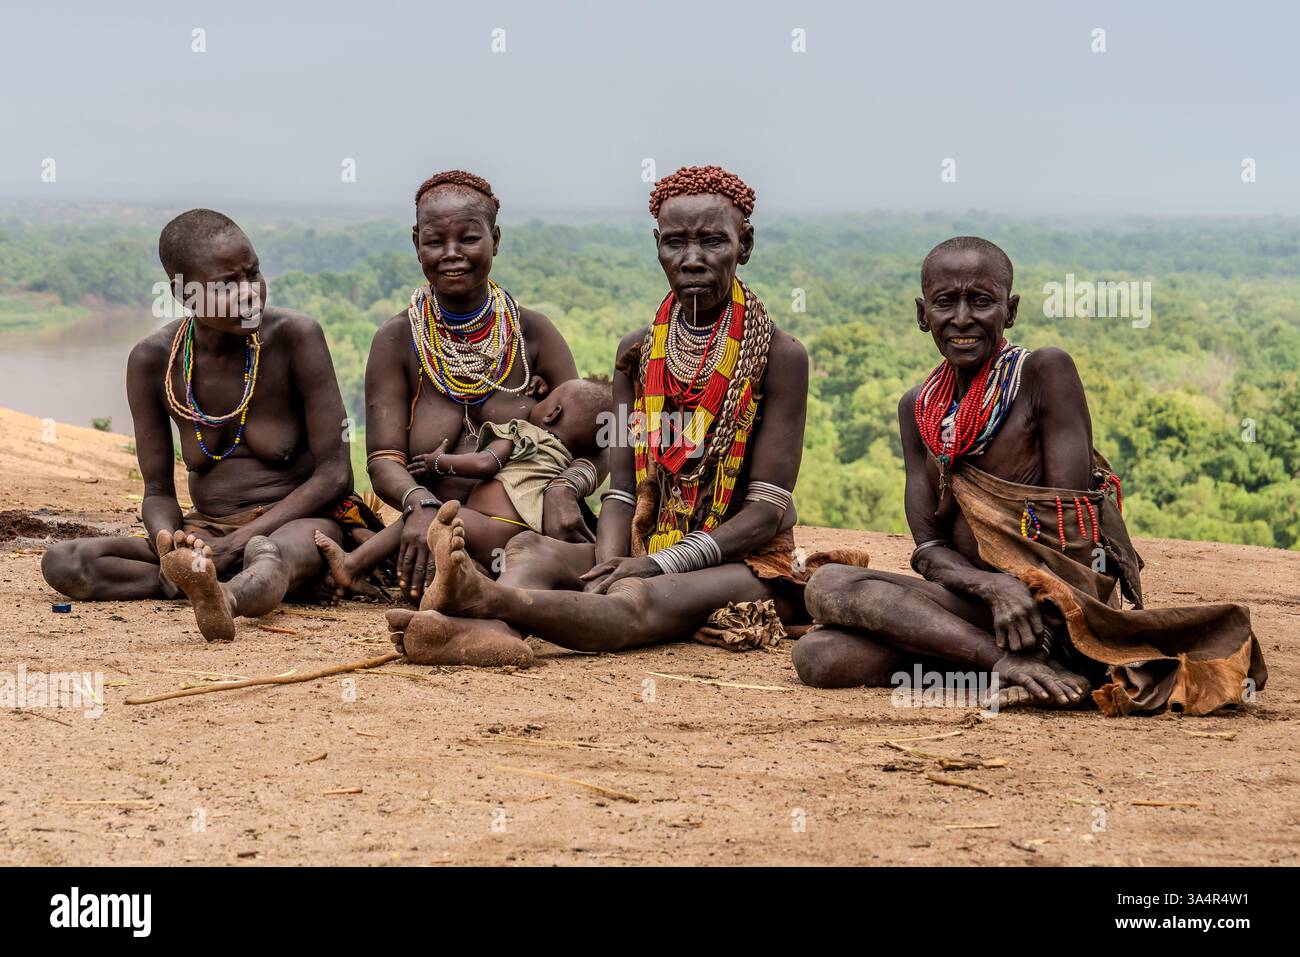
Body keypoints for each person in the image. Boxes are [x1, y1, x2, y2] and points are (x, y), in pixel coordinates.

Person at [386, 166, 865, 666]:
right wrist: (611, 561)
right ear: (657, 244)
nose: (692, 259)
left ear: (744, 245)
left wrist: (650, 567)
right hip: (647, 538)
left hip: (744, 559)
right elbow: (621, 488)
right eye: (675, 243)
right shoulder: (636, 352)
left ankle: (484, 601)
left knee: (636, 599)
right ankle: (495, 633)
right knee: (531, 549)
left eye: (713, 243)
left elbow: (765, 510)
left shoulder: (780, 356)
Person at [793, 237, 1266, 715]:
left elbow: (1068, 539)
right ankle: (1017, 668)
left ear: (1010, 310)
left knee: (831, 584)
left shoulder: (1044, 372)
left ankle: (1030, 661)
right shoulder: (918, 409)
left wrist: (1016, 588)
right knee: (819, 655)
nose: (962, 319)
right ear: (922, 314)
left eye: (981, 301)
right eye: (944, 303)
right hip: (977, 604)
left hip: (1053, 610)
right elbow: (929, 548)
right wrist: (991, 587)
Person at [42, 209, 378, 641]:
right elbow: (159, 491)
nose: (248, 294)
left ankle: (228, 599)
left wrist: (238, 544)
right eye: (226, 285)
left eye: (252, 273)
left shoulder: (295, 337)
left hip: (297, 522)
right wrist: (170, 542)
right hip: (206, 530)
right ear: (183, 293)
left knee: (269, 556)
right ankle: (194, 581)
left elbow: (335, 474)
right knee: (65, 562)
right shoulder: (152, 361)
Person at [362, 170, 602, 603]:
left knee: (553, 566)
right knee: (455, 567)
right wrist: (421, 503)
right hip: (436, 528)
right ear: (416, 242)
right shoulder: (397, 340)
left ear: (496, 238)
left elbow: (595, 437)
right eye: (435, 242)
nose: (452, 254)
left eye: (469, 239)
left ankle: (484, 599)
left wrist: (569, 485)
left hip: (531, 527)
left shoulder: (533, 334)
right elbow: (382, 461)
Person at [314, 377, 610, 598]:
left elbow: (485, 464)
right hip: (519, 540)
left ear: (552, 413)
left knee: (424, 516)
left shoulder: (525, 433)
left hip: (492, 525)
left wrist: (439, 462)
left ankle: (351, 566)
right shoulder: (566, 459)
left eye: (546, 400)